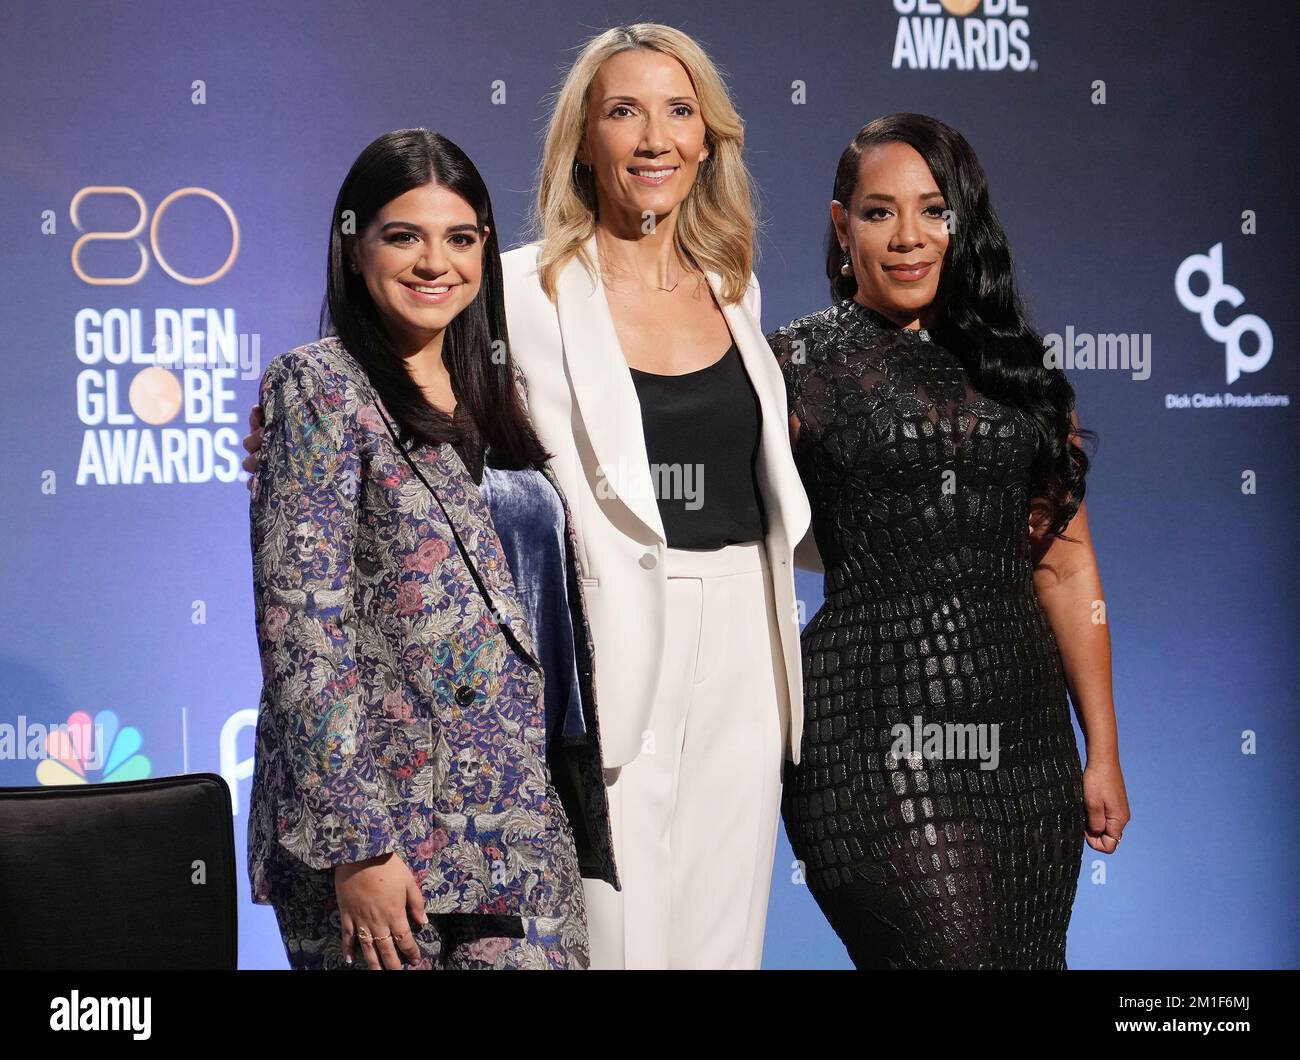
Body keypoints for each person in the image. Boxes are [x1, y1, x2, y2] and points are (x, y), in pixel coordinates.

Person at [245, 24, 810, 969]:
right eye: (623, 111)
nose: (654, 137)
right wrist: (286, 436)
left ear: (711, 136)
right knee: (624, 942)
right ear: (582, 138)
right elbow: (397, 379)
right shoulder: (515, 286)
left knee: (724, 940)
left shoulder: (734, 290)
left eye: (679, 111)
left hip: (743, 647)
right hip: (605, 658)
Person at [247, 127, 616, 971]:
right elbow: (306, 634)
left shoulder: (504, 390)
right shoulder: (318, 386)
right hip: (385, 839)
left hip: (518, 824)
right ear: (353, 247)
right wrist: (358, 845)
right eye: (402, 235)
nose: (433, 262)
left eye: (460, 238)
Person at [767, 113, 1131, 968]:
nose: (908, 238)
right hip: (872, 735)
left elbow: (1068, 566)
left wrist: (1102, 751)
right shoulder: (791, 363)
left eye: (933, 212)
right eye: (878, 212)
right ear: (840, 225)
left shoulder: (1019, 370)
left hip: (1026, 738)